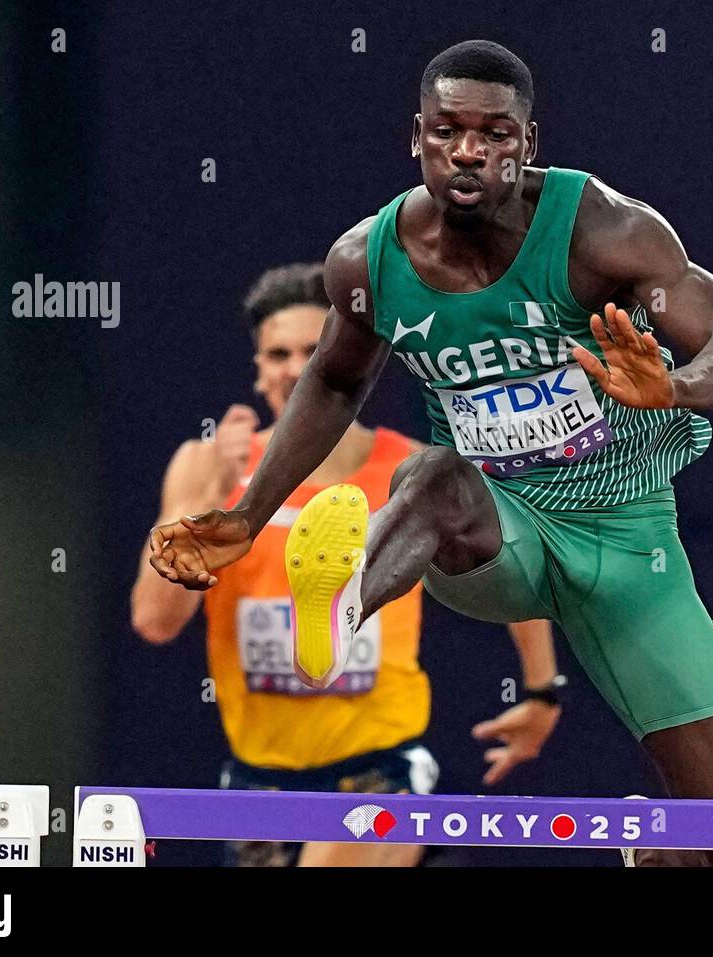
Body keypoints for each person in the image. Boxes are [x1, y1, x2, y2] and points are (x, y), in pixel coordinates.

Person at [149, 40, 713, 867]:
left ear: (527, 143)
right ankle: (339, 609)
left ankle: (660, 855)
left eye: (494, 132)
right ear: (417, 138)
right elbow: (335, 383)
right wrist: (247, 513)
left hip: (633, 549)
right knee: (432, 475)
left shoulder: (602, 230)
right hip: (500, 528)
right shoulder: (366, 260)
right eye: (448, 130)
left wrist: (678, 388)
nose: (470, 149)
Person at [132, 262, 560, 867]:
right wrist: (210, 498)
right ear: (258, 370)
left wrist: (543, 691)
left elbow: (513, 578)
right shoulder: (207, 467)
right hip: (259, 785)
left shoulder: (413, 474)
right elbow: (156, 620)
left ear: (348, 366)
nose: (293, 368)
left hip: (380, 770)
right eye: (277, 353)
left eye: (313, 351)